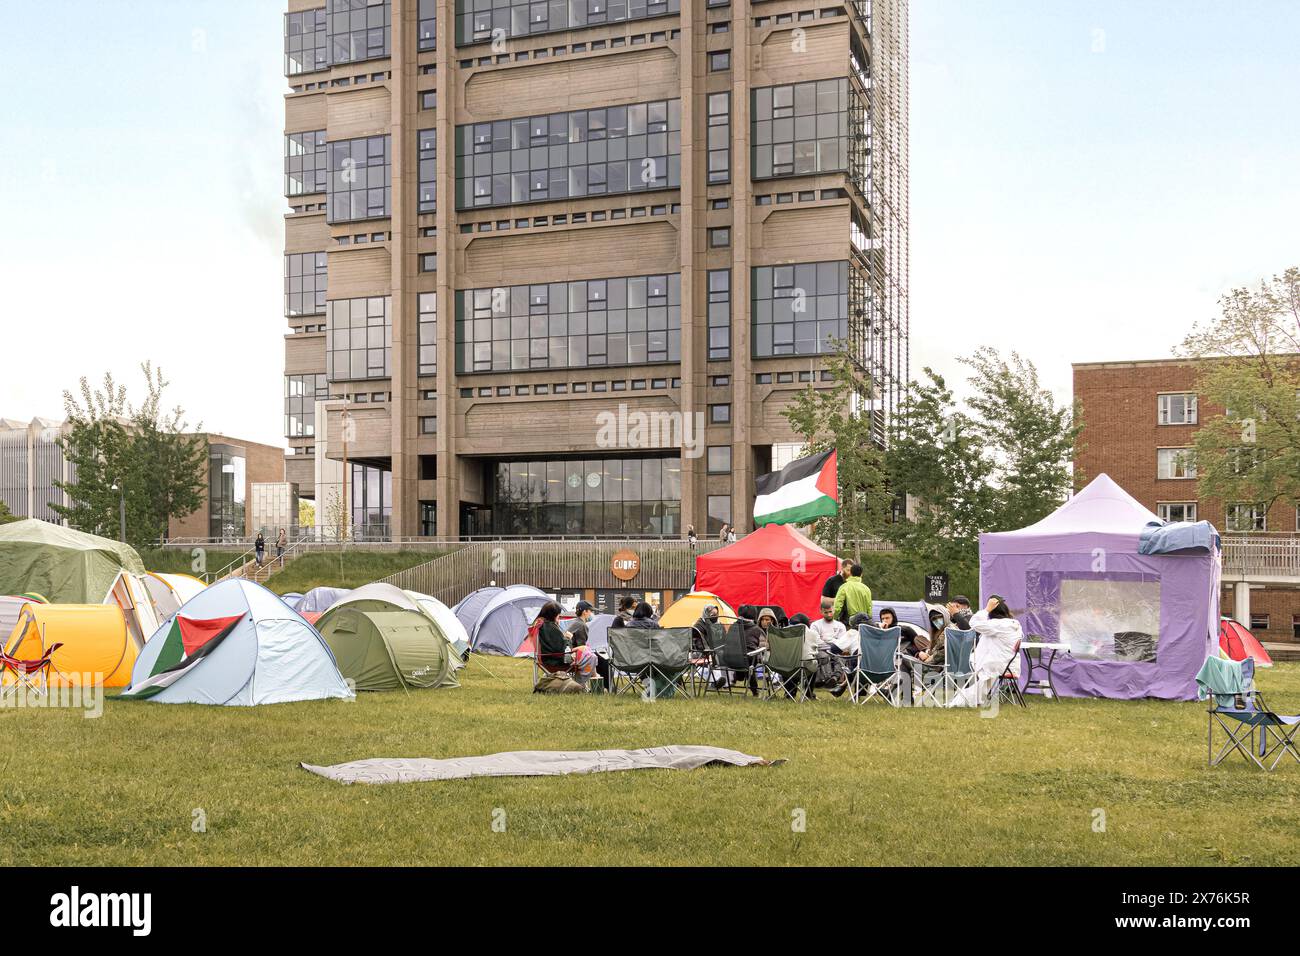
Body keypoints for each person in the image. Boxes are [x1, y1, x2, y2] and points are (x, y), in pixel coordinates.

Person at [948, 596, 1023, 708]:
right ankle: (962, 696)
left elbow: (973, 624)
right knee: (971, 662)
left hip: (997, 664)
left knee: (968, 662)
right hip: (1009, 664)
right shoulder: (1013, 623)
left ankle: (960, 696)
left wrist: (987, 609)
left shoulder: (998, 625)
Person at [534, 601, 596, 693]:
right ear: (553, 615)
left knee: (587, 652)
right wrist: (568, 638)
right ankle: (579, 684)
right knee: (592, 658)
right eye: (558, 615)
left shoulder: (541, 624)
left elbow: (555, 645)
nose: (559, 617)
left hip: (547, 658)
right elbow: (562, 648)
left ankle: (580, 682)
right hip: (557, 660)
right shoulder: (551, 627)